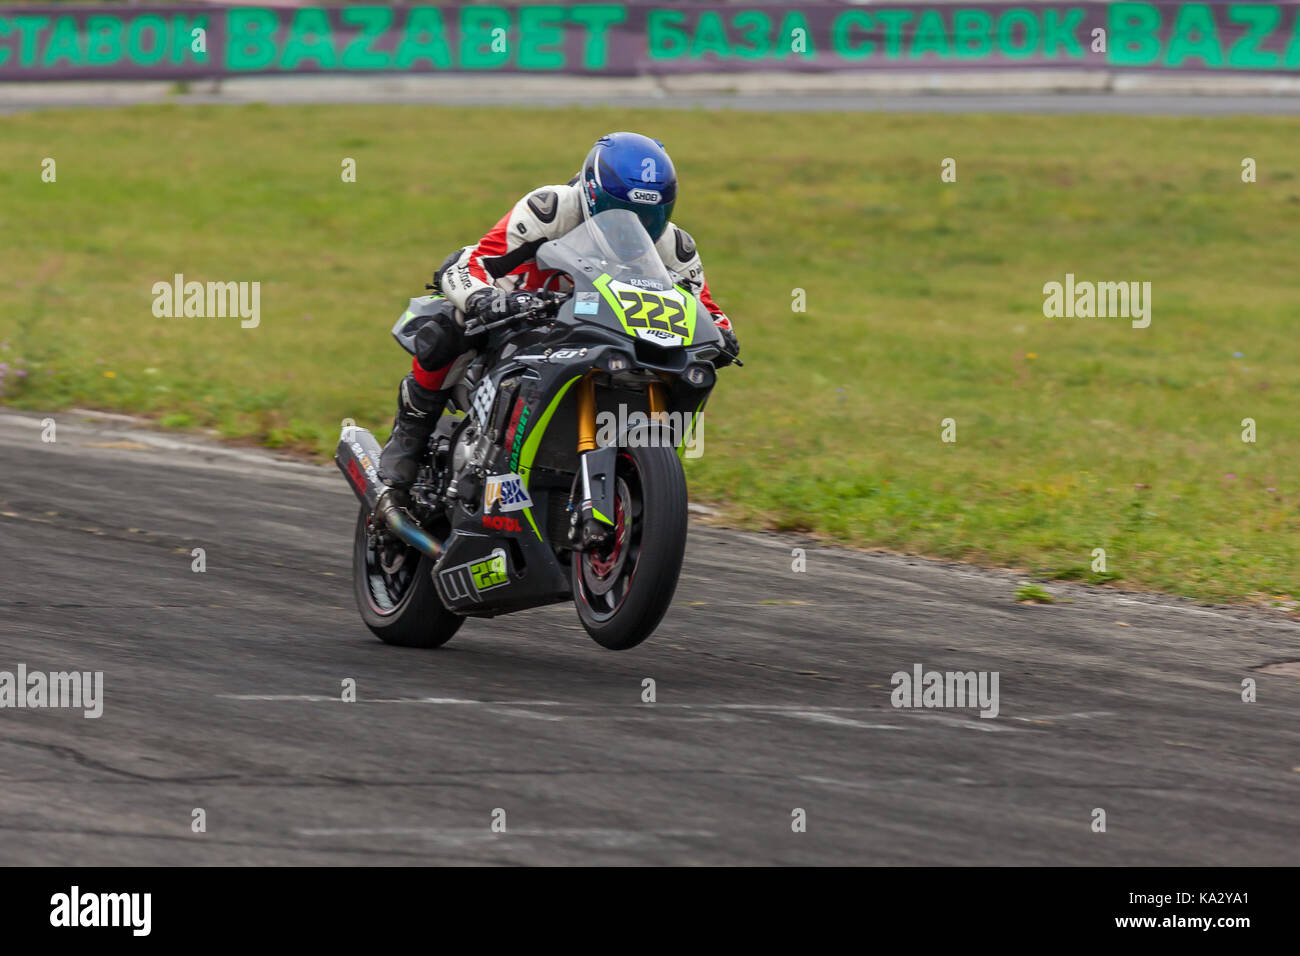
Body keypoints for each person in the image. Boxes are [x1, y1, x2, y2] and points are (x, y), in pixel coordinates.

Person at [378, 131, 739, 489]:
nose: (637, 226)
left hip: (609, 333)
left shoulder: (675, 246)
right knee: (451, 321)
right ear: (593, 195)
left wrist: (723, 336)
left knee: (692, 366)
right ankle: (411, 431)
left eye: (650, 214)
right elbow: (471, 263)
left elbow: (704, 309)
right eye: (624, 211)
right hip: (525, 316)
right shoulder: (550, 209)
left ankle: (642, 468)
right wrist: (484, 299)